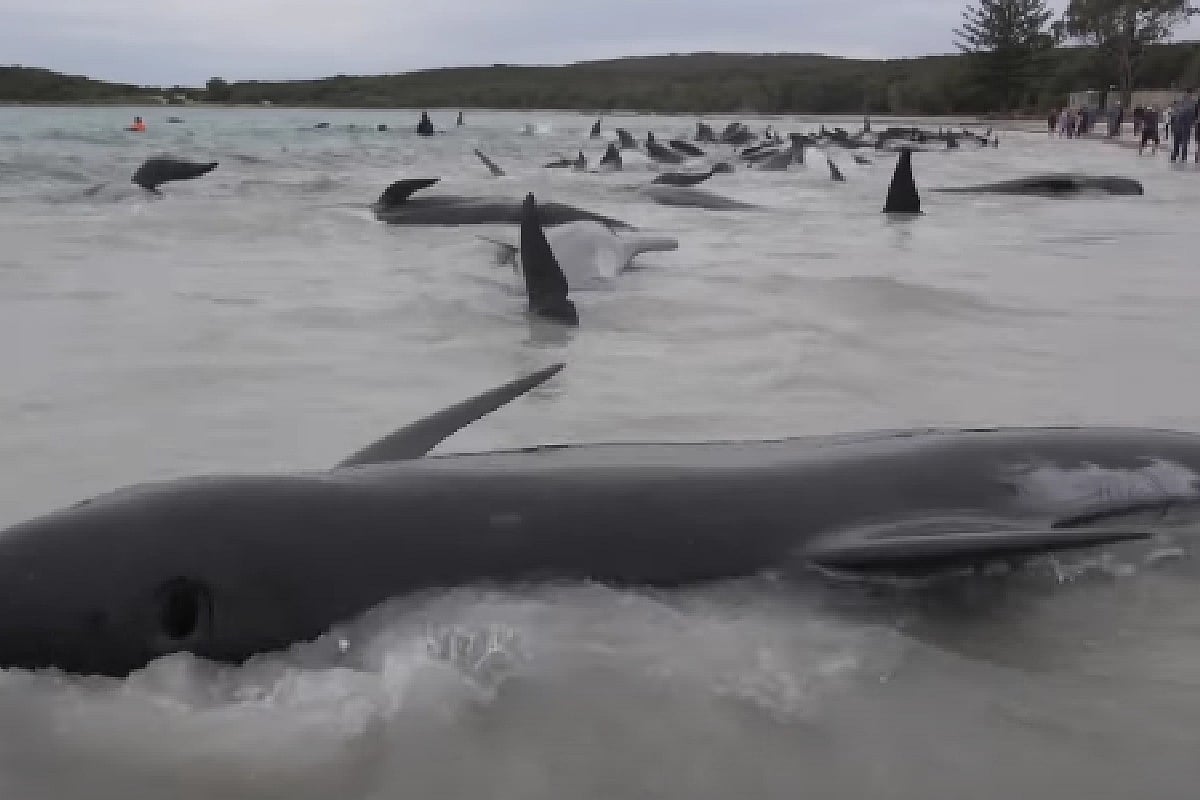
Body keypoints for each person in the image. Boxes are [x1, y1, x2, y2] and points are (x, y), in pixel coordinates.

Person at [1170, 92, 1197, 162]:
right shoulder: (1192, 105)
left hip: (1181, 125)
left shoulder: (1182, 104)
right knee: (1183, 141)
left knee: (1178, 141)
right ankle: (1182, 156)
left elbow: (1174, 115)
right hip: (1184, 126)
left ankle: (1177, 155)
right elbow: (1194, 117)